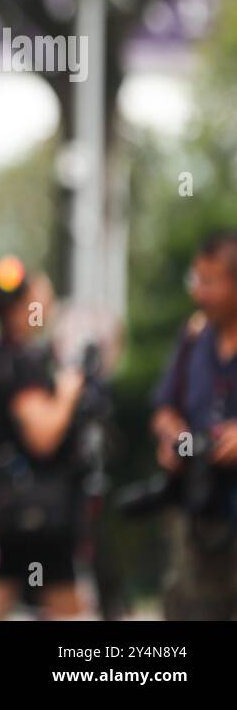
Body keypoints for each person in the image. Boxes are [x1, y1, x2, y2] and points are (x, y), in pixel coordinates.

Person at [0, 258, 86, 619]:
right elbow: (43, 437)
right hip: (37, 511)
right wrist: (68, 393)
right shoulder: (24, 362)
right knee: (64, 606)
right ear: (25, 306)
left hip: (4, 503)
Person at [149, 229, 237, 620]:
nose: (198, 292)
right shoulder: (193, 337)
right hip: (199, 513)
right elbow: (164, 409)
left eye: (210, 281)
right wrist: (174, 438)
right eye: (195, 279)